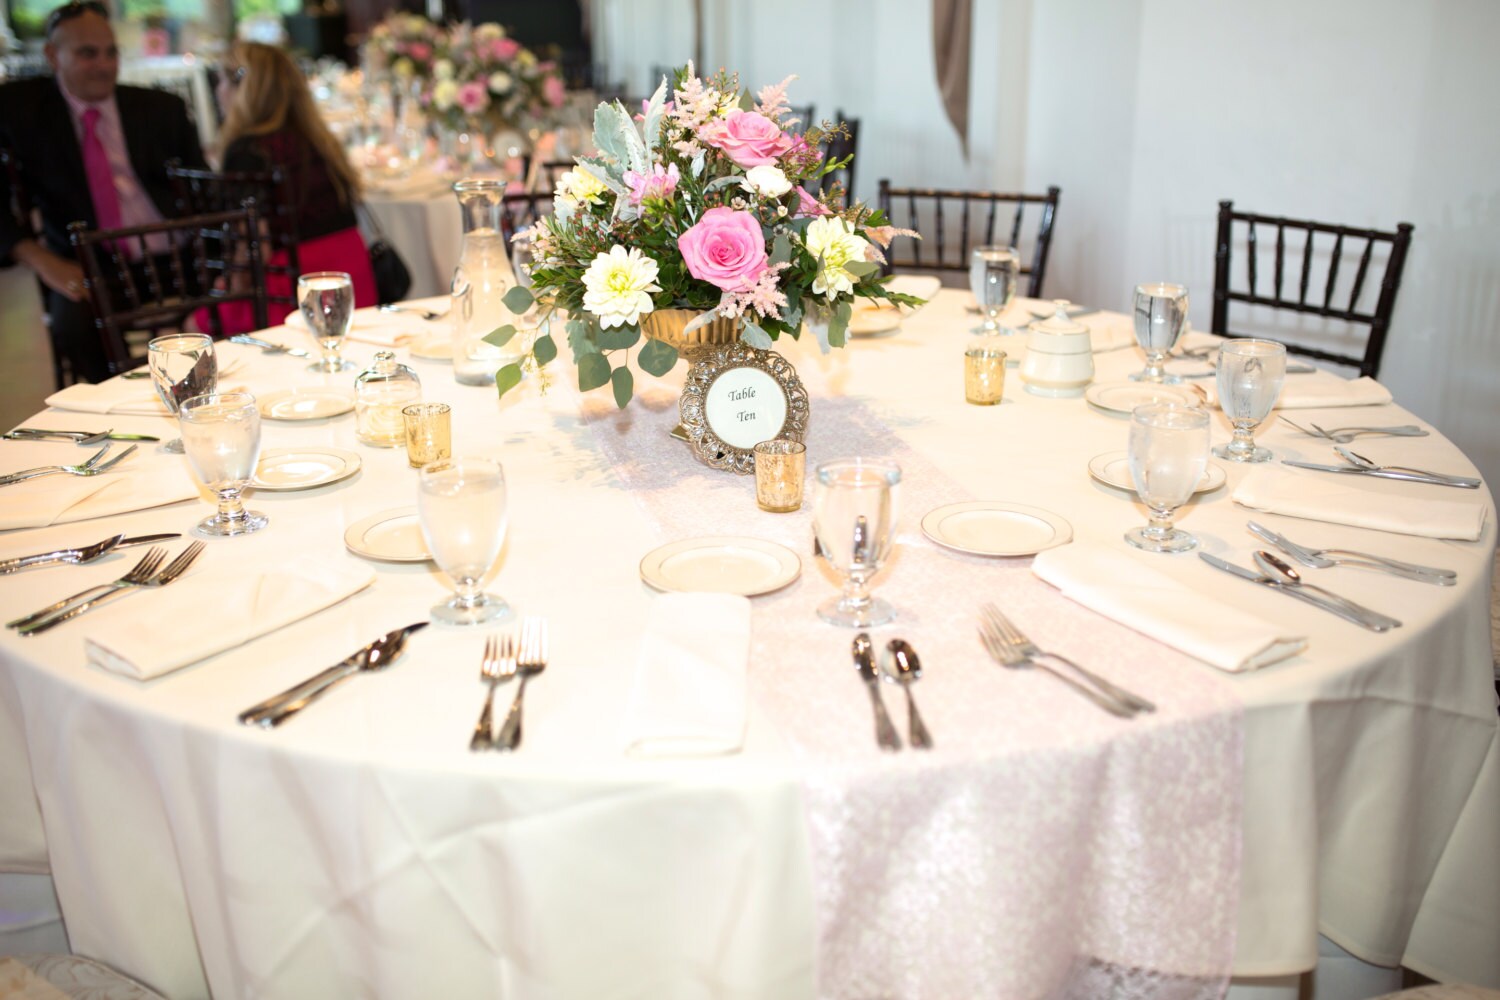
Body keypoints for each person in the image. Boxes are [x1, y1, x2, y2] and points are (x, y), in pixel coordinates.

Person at [0, 0, 208, 383]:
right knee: (74, 324)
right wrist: (40, 259)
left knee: (244, 297)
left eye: (111, 52)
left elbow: (203, 191)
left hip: (176, 260)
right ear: (52, 55)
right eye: (87, 53)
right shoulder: (24, 113)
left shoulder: (160, 109)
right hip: (91, 269)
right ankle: (113, 404)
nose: (104, 64)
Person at [209, 41, 376, 333]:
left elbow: (254, 245)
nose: (217, 91)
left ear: (242, 88)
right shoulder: (319, 140)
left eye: (220, 80)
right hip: (350, 277)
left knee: (188, 329)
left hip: (296, 288)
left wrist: (232, 286)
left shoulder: (248, 151)